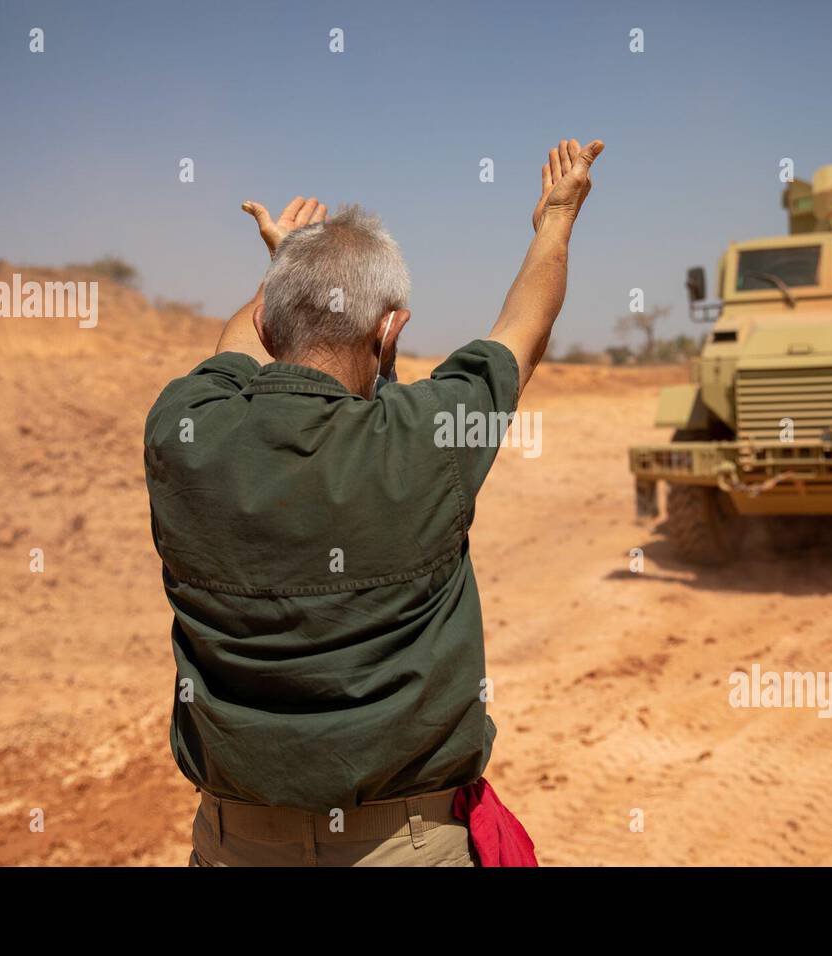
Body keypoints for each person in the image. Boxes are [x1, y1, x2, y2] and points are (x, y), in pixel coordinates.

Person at [144, 138, 604, 866]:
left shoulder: (183, 430)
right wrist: (556, 220)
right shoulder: (429, 437)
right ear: (391, 328)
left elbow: (231, 350)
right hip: (405, 847)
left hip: (234, 846)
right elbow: (525, 328)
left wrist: (286, 265)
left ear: (270, 322)